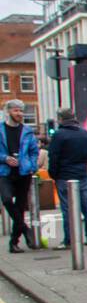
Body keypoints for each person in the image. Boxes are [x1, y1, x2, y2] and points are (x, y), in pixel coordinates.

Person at [46, 108, 87, 249]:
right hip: (82, 174)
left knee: (68, 209)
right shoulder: (85, 134)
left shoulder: (59, 135)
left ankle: (70, 240)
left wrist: (53, 174)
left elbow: (53, 157)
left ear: (60, 118)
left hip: (64, 176)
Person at [1, 99, 39, 253]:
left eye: (21, 111)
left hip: (23, 172)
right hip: (4, 172)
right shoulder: (1, 129)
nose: (20, 114)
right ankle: (25, 229)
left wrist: (31, 165)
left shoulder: (27, 131)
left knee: (20, 207)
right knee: (7, 200)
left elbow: (34, 152)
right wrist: (5, 158)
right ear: (8, 112)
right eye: (16, 110)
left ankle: (13, 243)